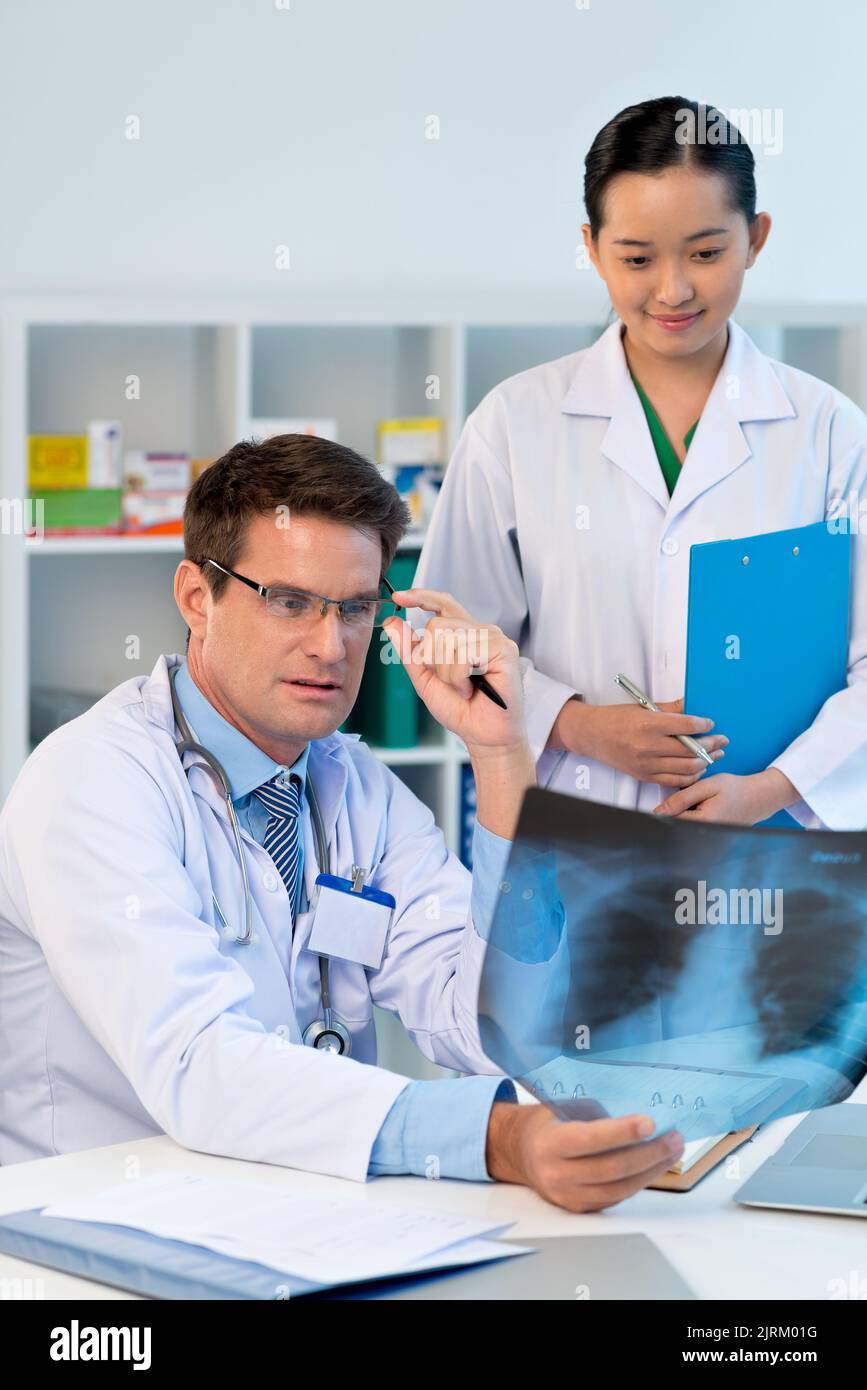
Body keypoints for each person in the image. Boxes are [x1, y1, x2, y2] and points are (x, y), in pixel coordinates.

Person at [0, 434, 684, 1211]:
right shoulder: (92, 781)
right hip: (99, 1233)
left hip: (303, 1216)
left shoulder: (354, 785)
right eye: (288, 601)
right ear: (197, 596)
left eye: (355, 608)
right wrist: (494, 1139)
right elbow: (198, 1066)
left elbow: (496, 1026)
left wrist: (500, 751)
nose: (329, 646)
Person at [415, 96, 867, 830]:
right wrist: (577, 725)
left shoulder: (828, 433)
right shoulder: (514, 422)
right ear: (591, 248)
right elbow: (451, 640)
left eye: (705, 252)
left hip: (775, 846)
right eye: (635, 258)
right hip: (575, 830)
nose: (672, 289)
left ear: (755, 238)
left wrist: (770, 788)